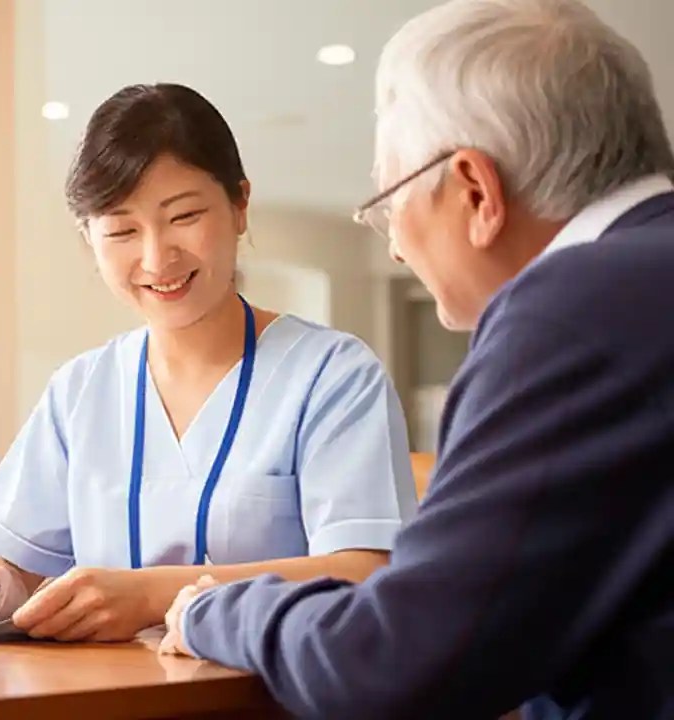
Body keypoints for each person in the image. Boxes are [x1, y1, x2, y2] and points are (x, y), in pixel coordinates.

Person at [159, 1, 674, 718]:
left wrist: (213, 610)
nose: (395, 246)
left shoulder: (571, 313)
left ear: (475, 191)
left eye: (389, 203)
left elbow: (392, 665)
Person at [0, 83, 418, 642]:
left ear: (239, 205)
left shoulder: (333, 376)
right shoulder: (81, 390)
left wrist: (148, 596)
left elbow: (364, 573)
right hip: (111, 695)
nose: (157, 258)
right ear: (88, 238)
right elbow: (17, 562)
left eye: (183, 216)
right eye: (121, 231)